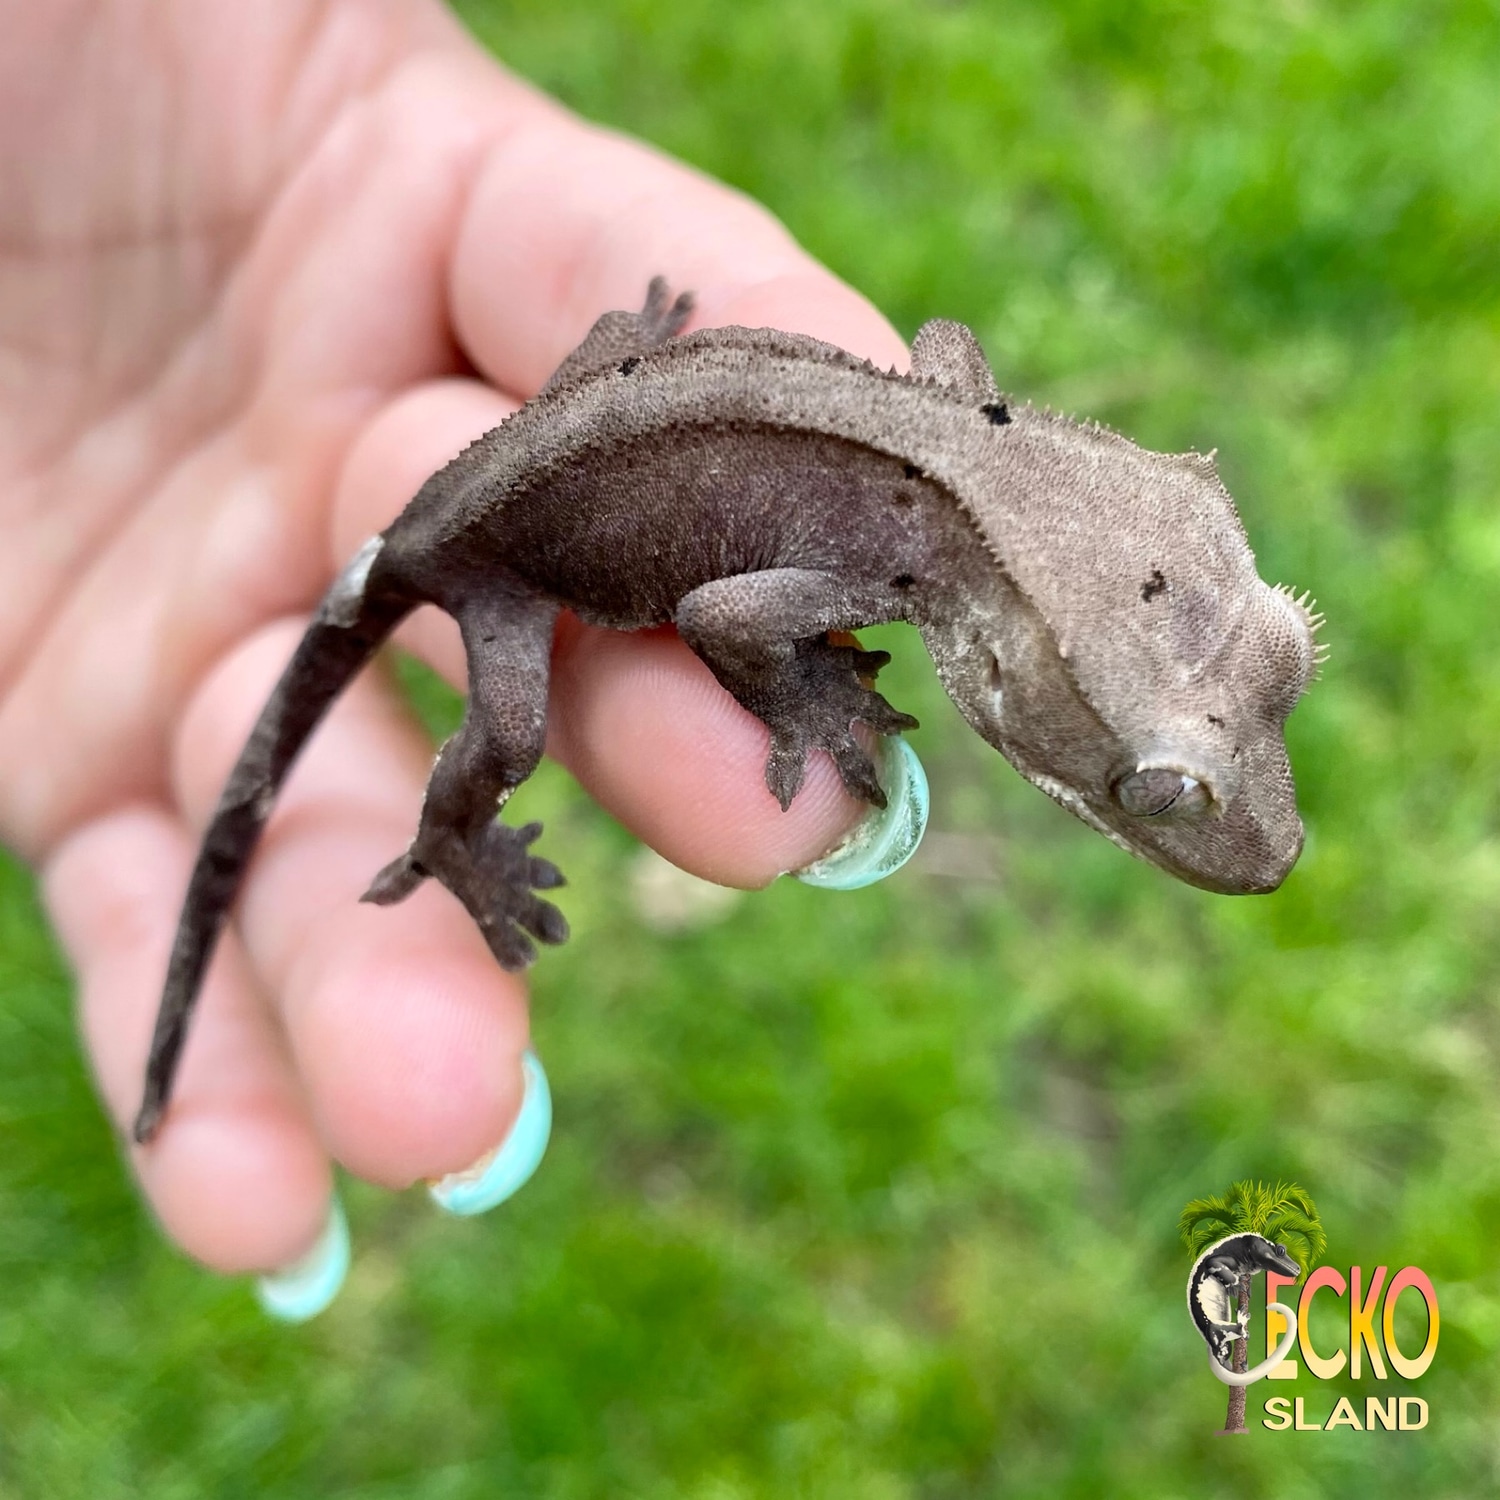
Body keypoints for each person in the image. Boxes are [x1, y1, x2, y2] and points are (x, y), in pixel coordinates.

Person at [0, 0, 909, 1295]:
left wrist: (621, 369)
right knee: (511, 733)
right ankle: (442, 839)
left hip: (520, 485)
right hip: (489, 564)